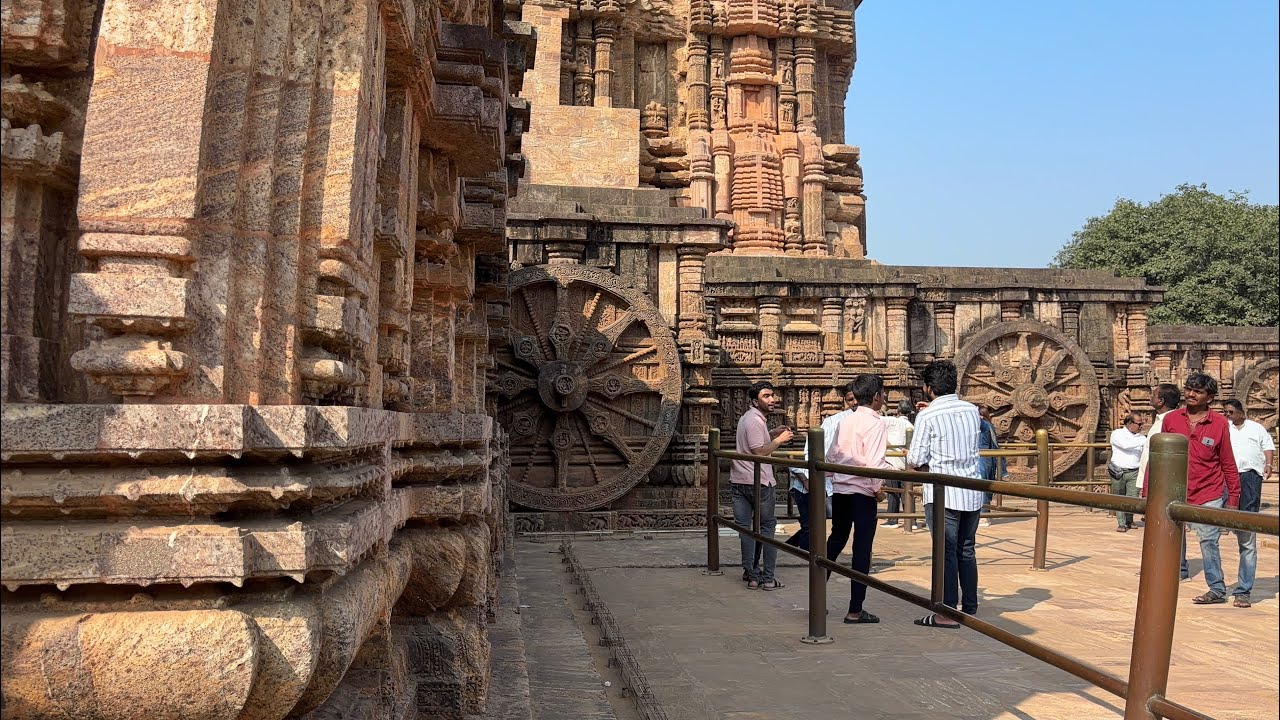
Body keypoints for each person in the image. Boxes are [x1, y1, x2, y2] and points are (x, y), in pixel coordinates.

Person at [905, 360, 985, 628]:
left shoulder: (927, 416)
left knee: (945, 551)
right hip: (971, 490)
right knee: (966, 549)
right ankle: (970, 606)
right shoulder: (972, 410)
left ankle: (946, 612)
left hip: (943, 493)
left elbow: (915, 459)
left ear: (928, 388)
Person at [1160, 373, 1240, 605]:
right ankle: (1167, 578)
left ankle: (1216, 588)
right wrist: (1149, 492)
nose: (1191, 394)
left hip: (1209, 491)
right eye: (1188, 389)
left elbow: (1227, 461)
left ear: (1210, 398)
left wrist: (1233, 497)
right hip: (1175, 490)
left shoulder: (1219, 423)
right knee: (1170, 537)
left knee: (1208, 540)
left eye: (1198, 391)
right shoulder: (1171, 419)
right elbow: (1158, 456)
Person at [825, 374, 892, 624]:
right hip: (863, 493)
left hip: (842, 490)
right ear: (877, 397)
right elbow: (874, 463)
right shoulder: (876, 423)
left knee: (835, 542)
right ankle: (855, 609)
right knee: (861, 550)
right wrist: (878, 491)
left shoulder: (845, 421)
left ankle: (817, 598)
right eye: (882, 394)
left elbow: (832, 456)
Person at [731, 381, 793, 590]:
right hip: (759, 482)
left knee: (746, 529)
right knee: (766, 527)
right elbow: (758, 451)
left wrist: (772, 433)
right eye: (766, 396)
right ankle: (767, 578)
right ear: (754, 401)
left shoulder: (749, 419)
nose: (772, 399)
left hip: (740, 480)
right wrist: (780, 440)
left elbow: (753, 444)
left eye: (772, 395)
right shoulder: (755, 421)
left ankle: (751, 573)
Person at [1222, 398, 1275, 608]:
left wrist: (1269, 464)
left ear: (1242, 412)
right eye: (1225, 412)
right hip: (1226, 476)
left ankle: (1243, 589)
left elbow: (1268, 447)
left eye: (1231, 412)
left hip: (1251, 475)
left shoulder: (1256, 428)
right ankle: (1217, 587)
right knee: (1211, 533)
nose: (1228, 415)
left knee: (1247, 531)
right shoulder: (1223, 428)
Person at [785, 384, 851, 550]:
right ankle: (805, 554)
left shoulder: (866, 422)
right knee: (813, 525)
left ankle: (792, 548)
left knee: (817, 524)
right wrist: (808, 480)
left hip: (830, 483)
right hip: (810, 484)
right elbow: (807, 457)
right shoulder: (831, 423)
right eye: (851, 399)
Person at [1138, 383, 1188, 579]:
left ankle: (1177, 568)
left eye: (1153, 395)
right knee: (1157, 525)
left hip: (1164, 482)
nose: (1150, 397)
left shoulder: (1172, 421)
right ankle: (1161, 566)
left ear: (1160, 401)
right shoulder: (1160, 421)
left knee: (1170, 524)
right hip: (1153, 481)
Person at [879, 399, 915, 528]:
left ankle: (892, 519)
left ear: (898, 411)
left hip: (893, 460)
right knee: (907, 491)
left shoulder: (892, 421)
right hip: (906, 462)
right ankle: (912, 520)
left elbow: (876, 420)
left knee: (893, 491)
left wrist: (882, 412)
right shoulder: (911, 426)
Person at [1108, 412, 1146, 532]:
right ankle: (1122, 522)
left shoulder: (1141, 437)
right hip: (1118, 471)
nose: (1141, 427)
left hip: (1134, 471)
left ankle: (1129, 519)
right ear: (1130, 423)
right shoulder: (1117, 434)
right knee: (1119, 497)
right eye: (1139, 424)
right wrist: (1144, 442)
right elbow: (1125, 445)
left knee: (1132, 497)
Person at [976, 406, 1006, 527]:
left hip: (981, 458)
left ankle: (983, 515)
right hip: (986, 458)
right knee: (984, 487)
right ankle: (984, 514)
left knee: (981, 487)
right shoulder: (989, 425)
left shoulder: (983, 424)